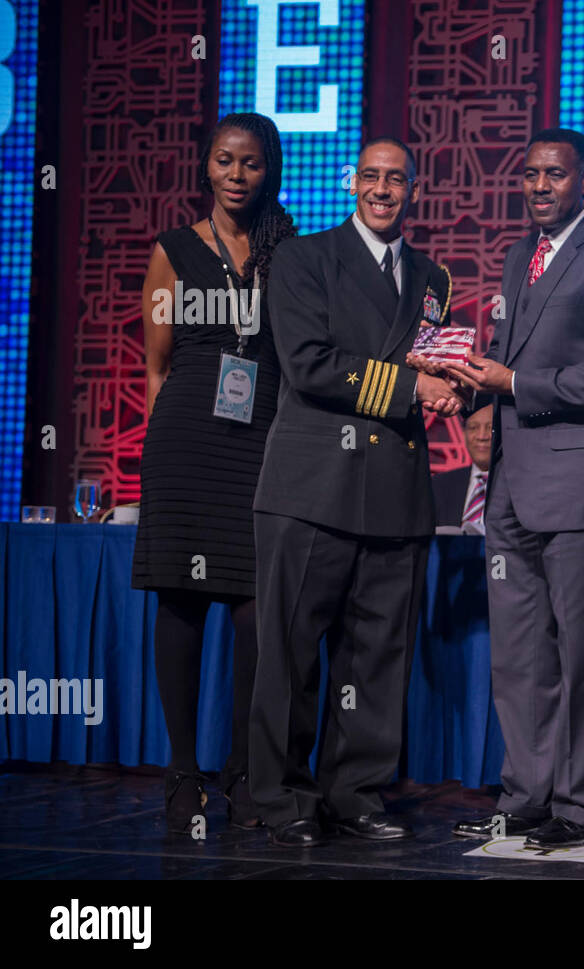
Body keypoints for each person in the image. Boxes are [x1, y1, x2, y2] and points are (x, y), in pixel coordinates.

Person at [430, 127, 584, 848]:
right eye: (529, 174)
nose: (538, 186)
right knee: (520, 658)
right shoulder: (518, 254)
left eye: (554, 174)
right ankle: (524, 796)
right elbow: (504, 360)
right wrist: (469, 386)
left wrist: (515, 383)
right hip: (513, 489)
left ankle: (582, 807)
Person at [249, 136, 460, 847]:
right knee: (292, 651)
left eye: (395, 178)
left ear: (413, 190)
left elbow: (428, 361)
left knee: (377, 658)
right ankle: (282, 797)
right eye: (369, 176)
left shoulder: (434, 277)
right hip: (313, 487)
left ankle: (355, 791)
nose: (381, 188)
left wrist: (457, 382)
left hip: (396, 493)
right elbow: (310, 367)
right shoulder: (305, 259)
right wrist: (414, 387)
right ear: (350, 183)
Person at [132, 113, 297, 836]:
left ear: (269, 171)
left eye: (251, 163)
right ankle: (181, 772)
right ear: (206, 167)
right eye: (226, 161)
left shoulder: (287, 252)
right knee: (182, 605)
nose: (237, 174)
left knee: (258, 615)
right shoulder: (173, 251)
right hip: (186, 445)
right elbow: (157, 364)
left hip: (261, 442)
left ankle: (244, 771)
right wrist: (164, 446)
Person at [432, 401, 493, 534]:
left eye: (490, 427)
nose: (482, 436)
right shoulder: (439, 485)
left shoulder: (518, 486)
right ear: (463, 433)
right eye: (473, 427)